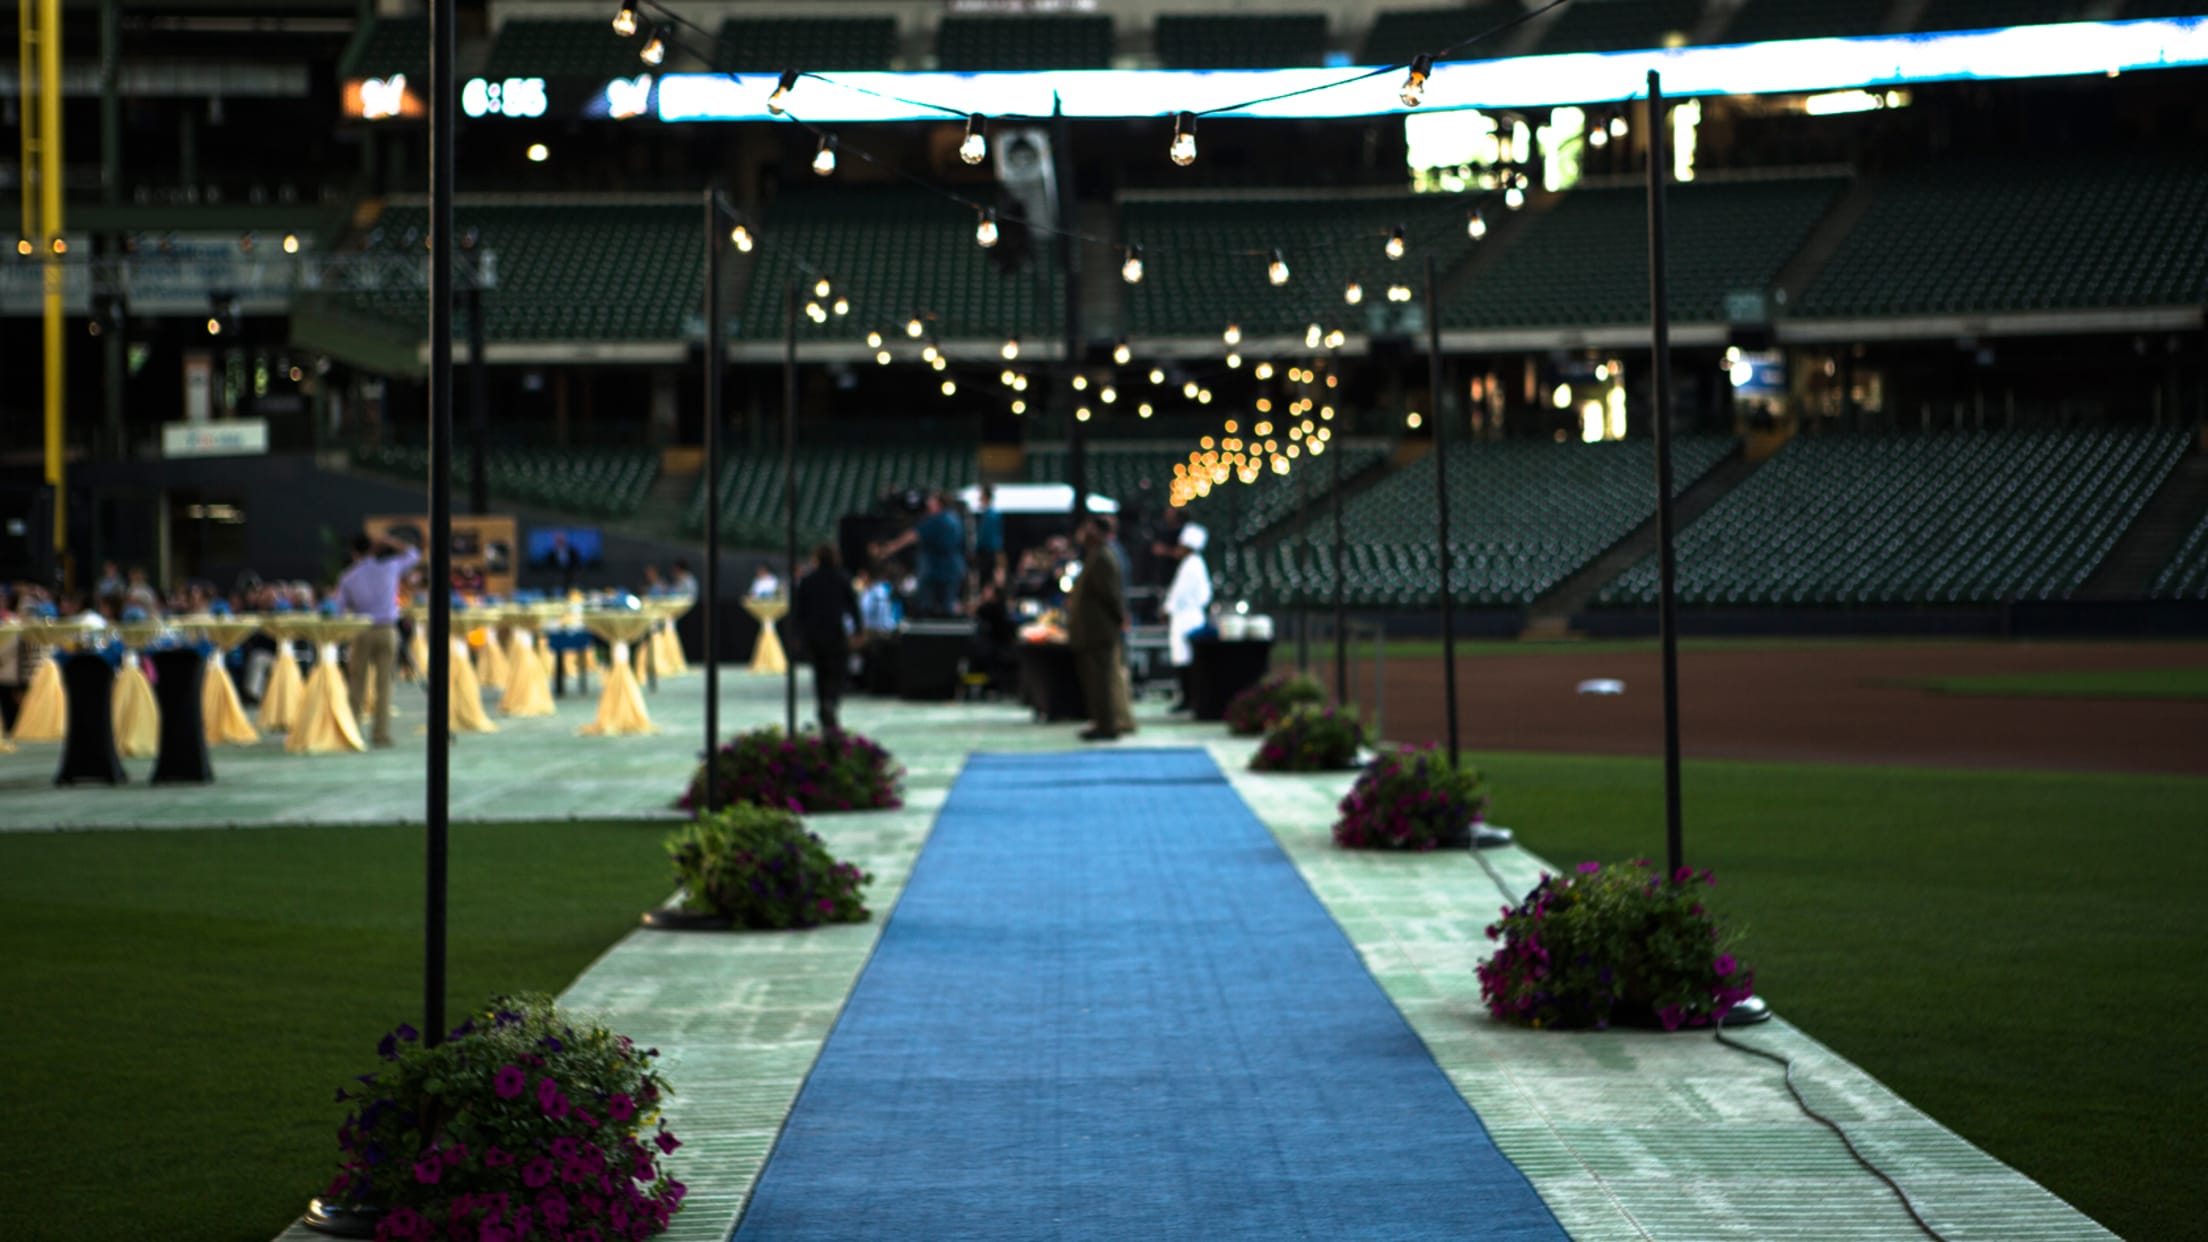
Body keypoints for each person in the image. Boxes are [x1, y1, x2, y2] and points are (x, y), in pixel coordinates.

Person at [336, 531, 421, 748]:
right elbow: (414, 555)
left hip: (362, 630)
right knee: (385, 685)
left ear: (354, 552)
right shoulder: (390, 567)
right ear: (372, 548)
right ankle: (380, 734)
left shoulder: (347, 577)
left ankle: (352, 730)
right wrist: (391, 541)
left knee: (357, 683)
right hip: (387, 630)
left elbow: (341, 610)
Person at [1066, 516, 1127, 742]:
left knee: (1101, 681)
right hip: (1091, 631)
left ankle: (1107, 725)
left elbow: (1111, 594)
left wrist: (1120, 619)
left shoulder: (1103, 557)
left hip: (1099, 631)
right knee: (1095, 681)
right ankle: (1100, 722)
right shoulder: (1095, 556)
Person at [791, 542, 862, 733]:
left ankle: (823, 706)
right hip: (835, 633)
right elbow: (853, 607)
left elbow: (799, 611)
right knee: (837, 673)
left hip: (813, 635)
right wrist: (858, 631)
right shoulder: (842, 578)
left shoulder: (807, 580)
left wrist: (797, 635)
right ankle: (831, 703)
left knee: (820, 673)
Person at [872, 491, 965, 617]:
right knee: (947, 607)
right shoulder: (955, 518)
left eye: (931, 502)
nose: (928, 505)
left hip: (936, 570)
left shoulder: (937, 520)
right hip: (954, 569)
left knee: (927, 608)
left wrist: (889, 549)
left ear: (938, 504)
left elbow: (913, 535)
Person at [1163, 522, 1213, 712]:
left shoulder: (1192, 565)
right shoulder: (1192, 564)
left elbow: (1179, 593)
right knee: (1183, 657)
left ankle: (1188, 698)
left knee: (1186, 659)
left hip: (1187, 617)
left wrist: (1166, 609)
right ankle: (1187, 697)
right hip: (1186, 616)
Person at [973, 485, 1005, 589]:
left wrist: (978, 549)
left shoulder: (991, 515)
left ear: (986, 498)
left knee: (987, 581)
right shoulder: (989, 514)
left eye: (981, 496)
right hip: (988, 552)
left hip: (988, 553)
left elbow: (987, 536)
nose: (979, 499)